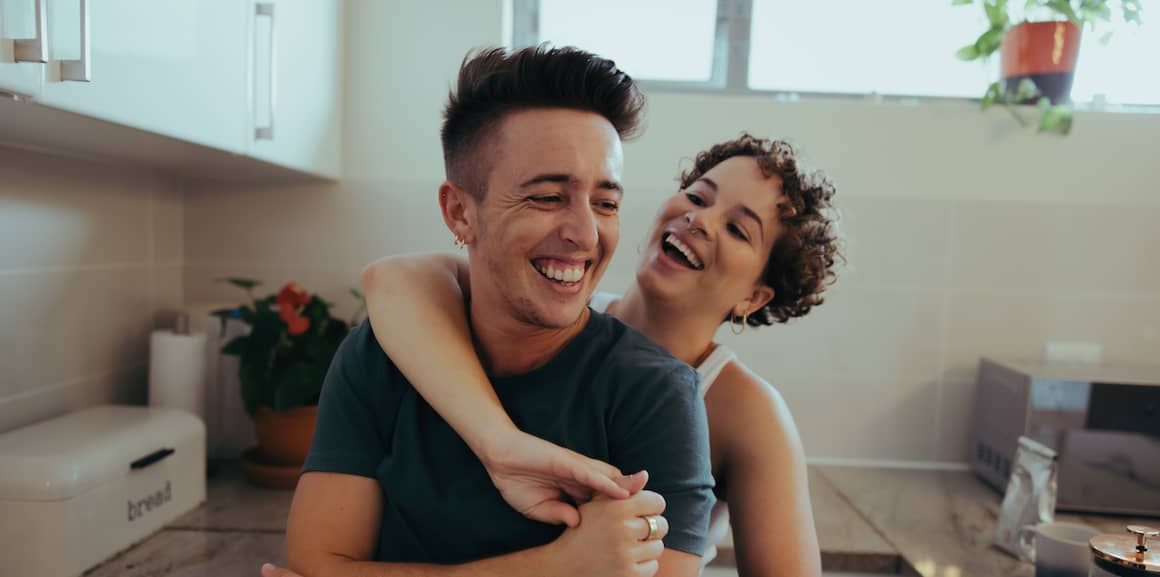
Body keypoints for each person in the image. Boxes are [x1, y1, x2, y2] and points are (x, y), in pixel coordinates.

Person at [276, 45, 716, 577]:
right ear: (460, 212)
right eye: (548, 197)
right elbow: (314, 563)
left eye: (606, 203)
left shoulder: (654, 394)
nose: (585, 234)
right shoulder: (380, 355)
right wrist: (558, 566)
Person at [352, 133, 841, 577]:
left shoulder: (749, 413)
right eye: (697, 197)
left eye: (738, 230)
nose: (700, 219)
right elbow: (392, 279)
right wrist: (498, 443)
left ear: (753, 298)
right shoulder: (549, 304)